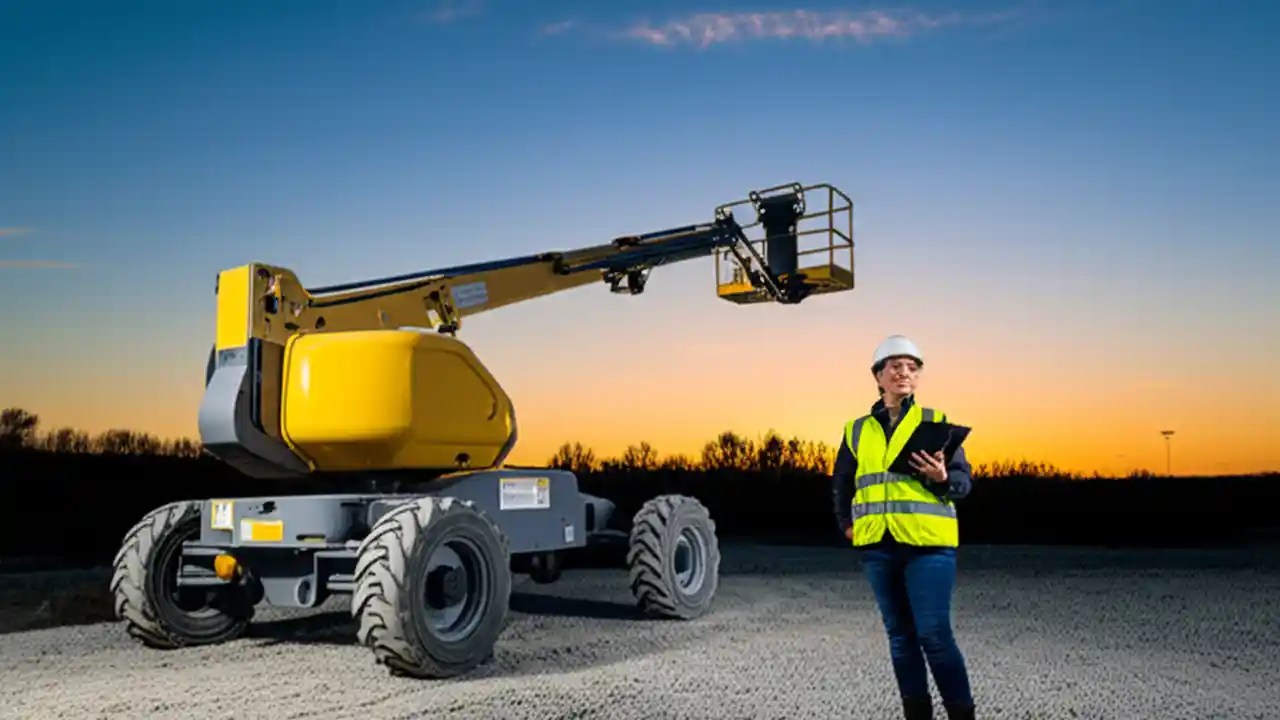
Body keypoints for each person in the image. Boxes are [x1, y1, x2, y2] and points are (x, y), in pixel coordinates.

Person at [831, 334, 976, 720]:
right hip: (877, 546)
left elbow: (962, 484)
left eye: (912, 368)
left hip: (928, 546)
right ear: (878, 376)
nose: (904, 373)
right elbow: (843, 483)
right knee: (900, 639)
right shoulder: (856, 430)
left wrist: (943, 477)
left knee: (934, 636)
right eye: (895, 366)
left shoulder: (936, 423)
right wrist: (847, 525)